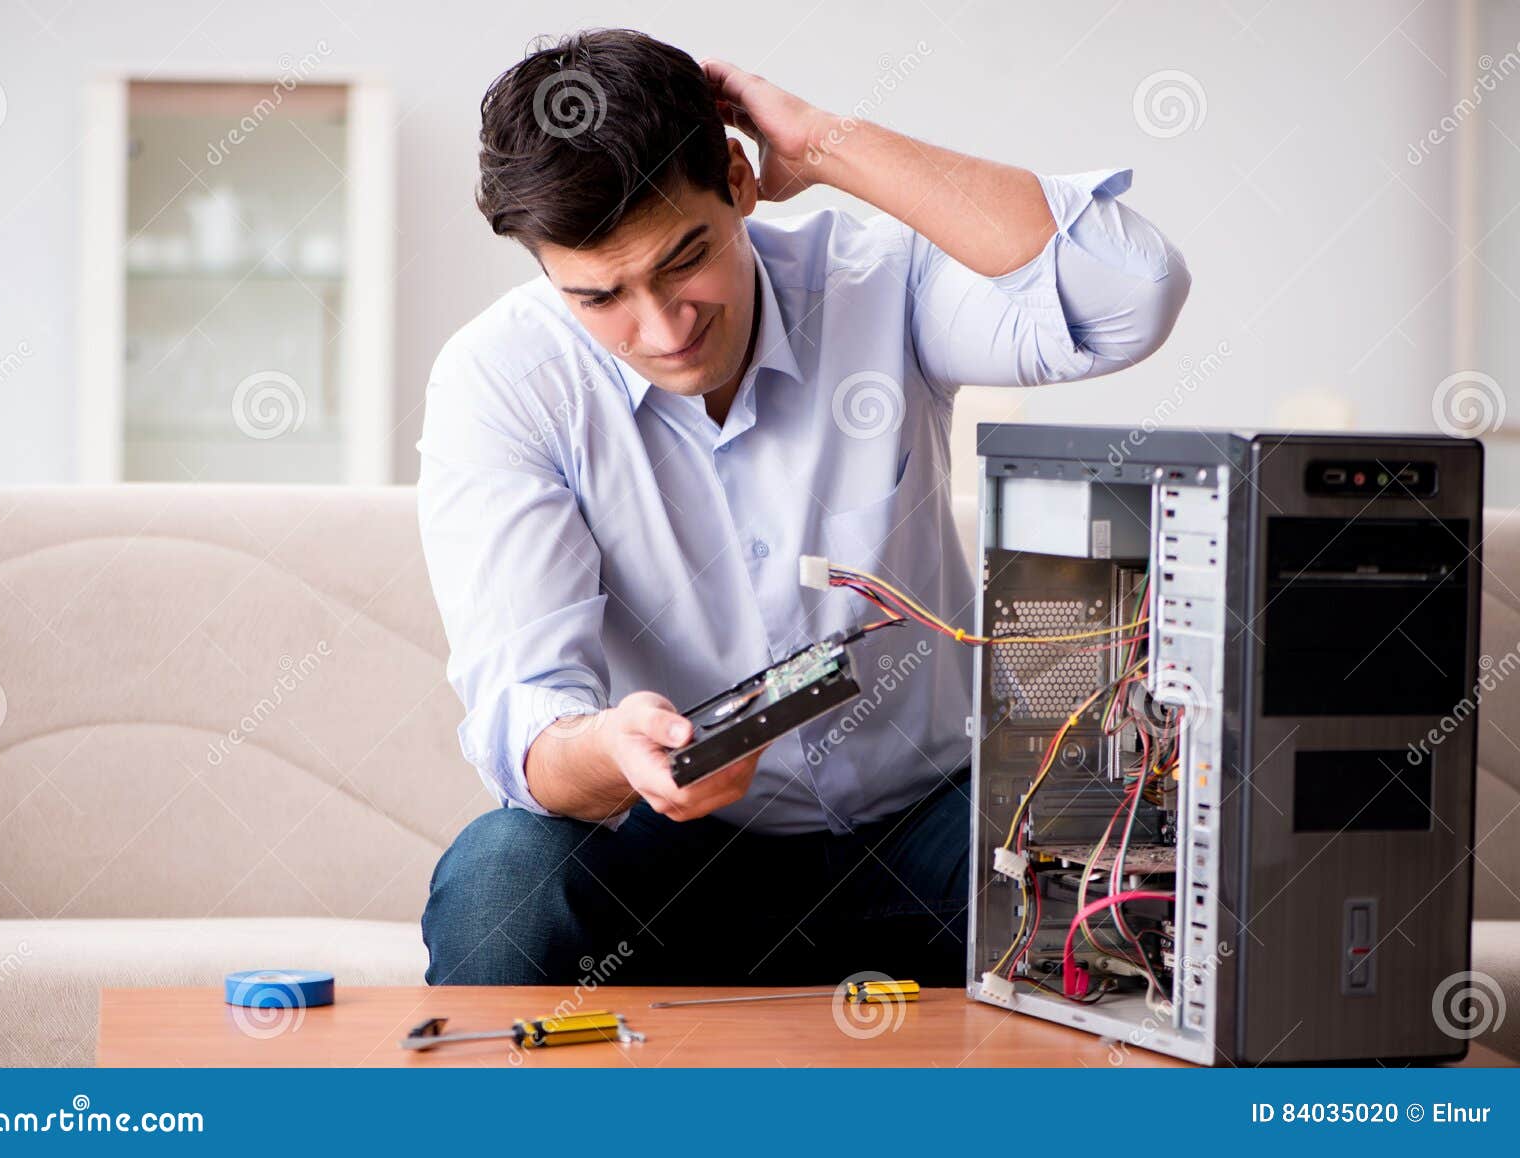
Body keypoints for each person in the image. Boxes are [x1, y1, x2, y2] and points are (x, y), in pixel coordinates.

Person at [417, 28, 1189, 986]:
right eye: (600, 296)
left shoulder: (877, 283)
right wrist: (616, 752)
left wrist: (823, 141)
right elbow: (524, 723)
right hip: (679, 854)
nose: (661, 328)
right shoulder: (502, 381)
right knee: (502, 879)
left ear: (739, 180)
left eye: (685, 259)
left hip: (936, 841)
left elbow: (1134, 296)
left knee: (1162, 880)